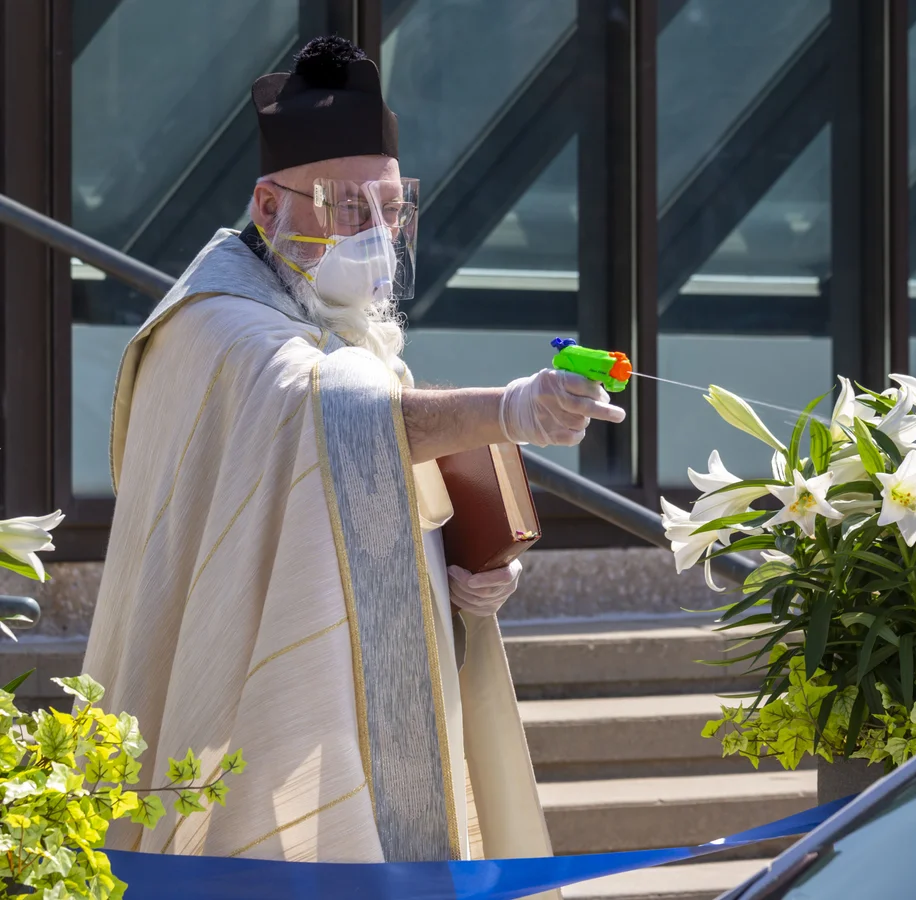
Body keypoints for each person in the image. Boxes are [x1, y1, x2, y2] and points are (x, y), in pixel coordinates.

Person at [81, 35, 624, 881]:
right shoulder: (216, 321)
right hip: (244, 671)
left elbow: (363, 480)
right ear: (268, 206)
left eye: (392, 206)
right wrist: (510, 410)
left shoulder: (335, 320)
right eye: (346, 207)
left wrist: (455, 577)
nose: (377, 233)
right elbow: (333, 416)